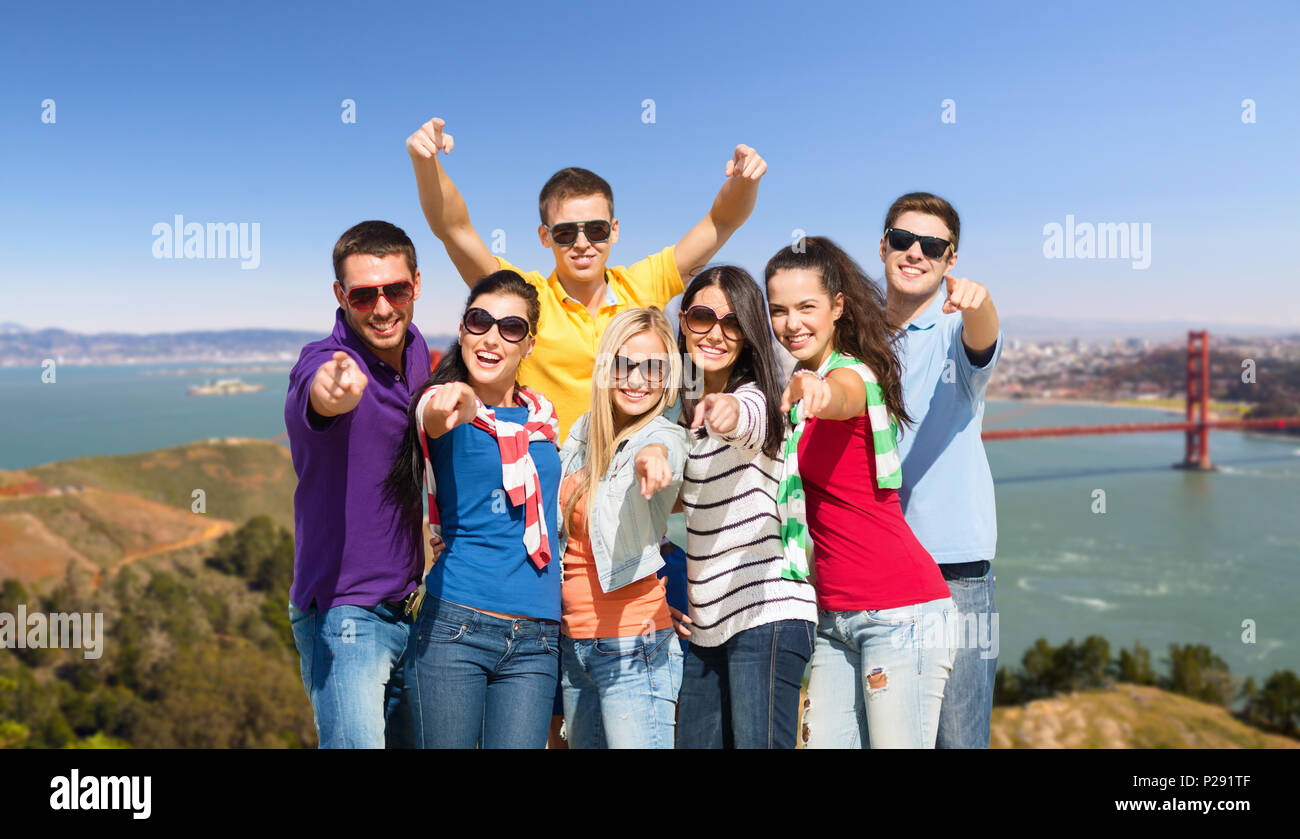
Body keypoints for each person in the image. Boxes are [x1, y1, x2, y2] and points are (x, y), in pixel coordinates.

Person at [406, 115, 767, 439]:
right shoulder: (524, 298)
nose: (582, 244)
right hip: (549, 487)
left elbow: (720, 223)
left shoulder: (643, 284)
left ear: (614, 230)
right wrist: (426, 163)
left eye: (595, 230)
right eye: (565, 233)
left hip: (632, 486)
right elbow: (454, 228)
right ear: (544, 236)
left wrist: (744, 181)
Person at [765, 236, 956, 749]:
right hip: (834, 618)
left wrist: (818, 393)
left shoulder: (849, 375)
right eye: (778, 310)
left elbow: (842, 396)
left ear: (837, 307)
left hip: (900, 613)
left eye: (807, 307)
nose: (792, 323)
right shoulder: (807, 379)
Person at [384, 270, 562, 749]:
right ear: (462, 331)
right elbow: (437, 415)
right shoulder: (440, 405)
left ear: (529, 345)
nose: (491, 337)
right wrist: (458, 401)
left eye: (512, 328)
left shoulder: (543, 419)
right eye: (479, 322)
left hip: (539, 637)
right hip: (456, 625)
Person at [284, 220, 431, 749]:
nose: (384, 307)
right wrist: (332, 394)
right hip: (345, 614)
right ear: (340, 296)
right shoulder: (324, 364)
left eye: (396, 289)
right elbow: (319, 395)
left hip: (415, 606)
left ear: (416, 282)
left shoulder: (417, 351)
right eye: (365, 295)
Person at [671, 266, 818, 749]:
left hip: (767, 614)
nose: (716, 333)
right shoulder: (679, 413)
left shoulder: (754, 397)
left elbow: (747, 420)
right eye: (702, 317)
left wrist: (725, 412)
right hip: (708, 627)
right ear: (684, 321)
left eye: (733, 323)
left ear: (749, 333)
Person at [877, 192, 1002, 749]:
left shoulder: (957, 333)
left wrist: (980, 301)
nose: (915, 253)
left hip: (956, 575)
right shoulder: (853, 341)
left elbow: (983, 335)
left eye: (933, 246)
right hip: (874, 571)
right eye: (904, 240)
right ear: (883, 247)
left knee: (958, 740)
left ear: (950, 260)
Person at [556, 307, 688, 749]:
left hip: (633, 648)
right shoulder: (583, 434)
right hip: (576, 645)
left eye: (653, 368)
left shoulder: (664, 435)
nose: (636, 379)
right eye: (625, 364)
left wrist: (654, 457)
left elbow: (665, 449)